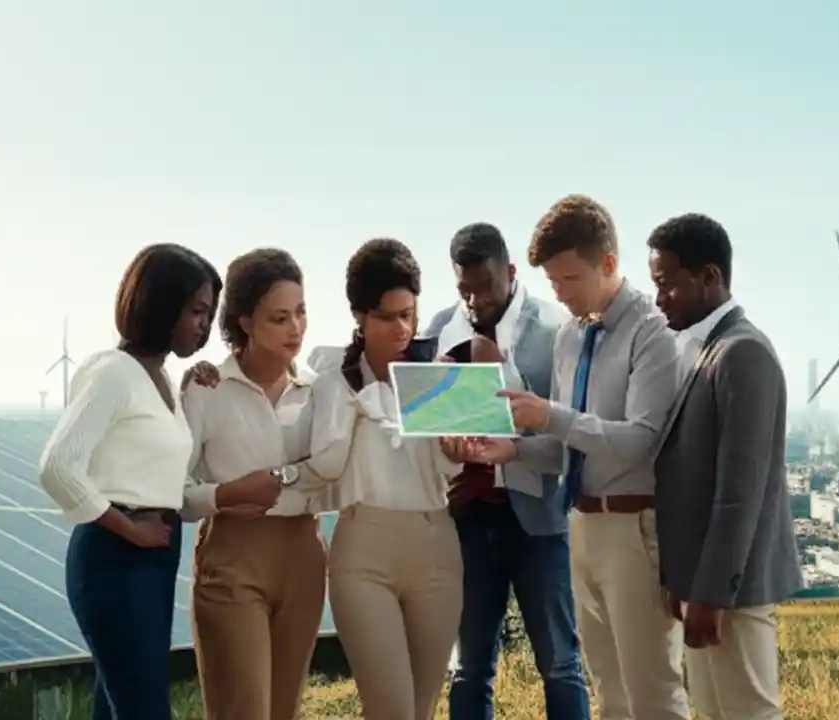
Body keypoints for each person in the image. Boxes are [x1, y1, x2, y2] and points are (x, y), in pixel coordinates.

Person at [477, 195, 690, 720]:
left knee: (652, 694)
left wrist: (547, 416)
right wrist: (512, 450)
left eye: (569, 279)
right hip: (582, 527)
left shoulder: (653, 333)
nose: (559, 293)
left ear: (610, 264)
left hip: (634, 529)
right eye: (552, 282)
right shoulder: (570, 337)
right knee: (608, 695)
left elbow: (641, 439)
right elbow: (571, 443)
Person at [38, 243, 221, 720]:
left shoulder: (161, 378)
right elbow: (57, 466)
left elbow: (161, 477)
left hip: (156, 555)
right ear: (160, 305)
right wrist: (131, 529)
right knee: (144, 710)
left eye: (208, 313)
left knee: (118, 707)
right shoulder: (112, 373)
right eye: (196, 311)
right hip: (115, 557)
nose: (204, 324)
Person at [300, 238, 477, 720]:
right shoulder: (334, 381)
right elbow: (326, 464)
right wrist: (356, 404)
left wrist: (454, 451)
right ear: (359, 315)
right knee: (391, 712)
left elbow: (451, 470)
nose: (401, 327)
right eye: (387, 316)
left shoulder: (438, 377)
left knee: (420, 710)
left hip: (435, 546)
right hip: (364, 552)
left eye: (409, 314)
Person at [423, 222, 589, 720]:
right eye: (464, 289)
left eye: (485, 286)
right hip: (468, 518)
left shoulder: (556, 329)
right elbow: (431, 421)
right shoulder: (440, 327)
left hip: (536, 519)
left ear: (511, 273)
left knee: (560, 663)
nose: (474, 300)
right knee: (470, 666)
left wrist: (503, 379)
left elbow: (567, 439)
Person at [646, 213, 803, 720]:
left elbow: (740, 492)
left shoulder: (742, 354)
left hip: (732, 589)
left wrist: (711, 594)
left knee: (749, 712)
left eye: (667, 284)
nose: (658, 298)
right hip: (704, 584)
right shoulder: (704, 349)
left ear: (710, 278)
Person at [180, 248, 328, 720]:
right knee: (242, 710)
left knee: (284, 711)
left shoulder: (319, 390)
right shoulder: (206, 389)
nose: (296, 329)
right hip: (233, 558)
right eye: (279, 317)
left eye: (301, 312)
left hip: (305, 557)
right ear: (245, 321)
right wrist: (224, 496)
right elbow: (175, 494)